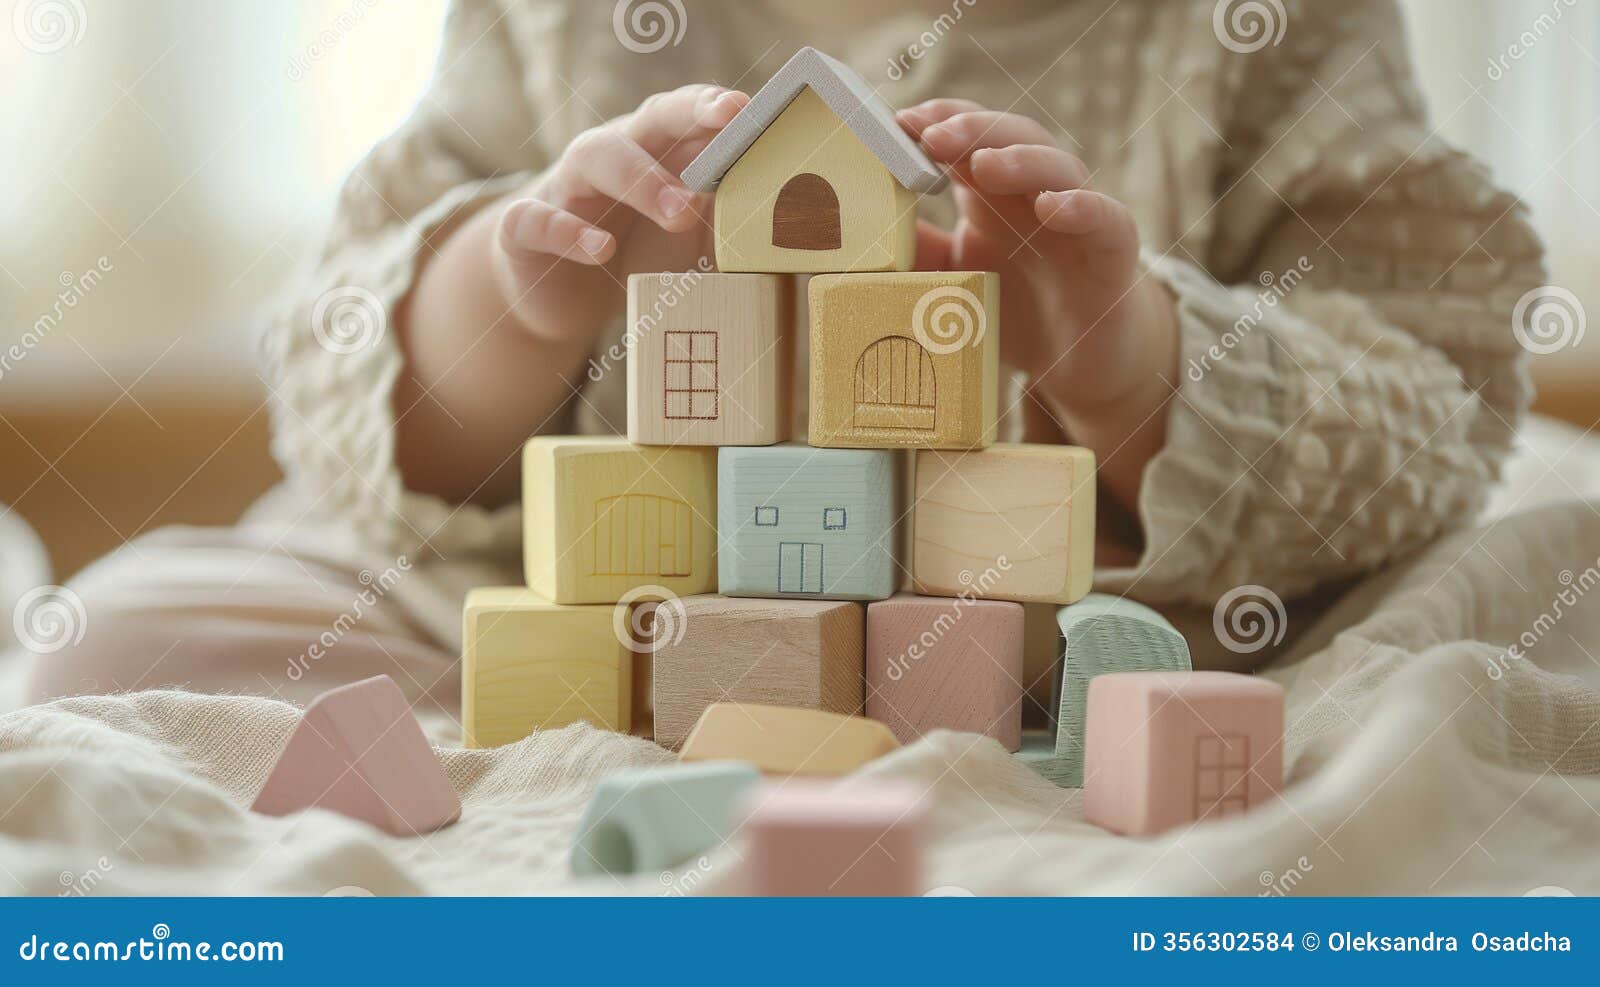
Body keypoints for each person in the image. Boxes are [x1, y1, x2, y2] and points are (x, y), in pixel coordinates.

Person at [24, 0, 1542, 717]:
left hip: (1065, 639)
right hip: (545, 609)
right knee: (123, 637)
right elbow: (345, 369)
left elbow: (1428, 392)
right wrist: (520, 289)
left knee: (1523, 610)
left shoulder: (1264, 29)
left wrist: (1125, 354)